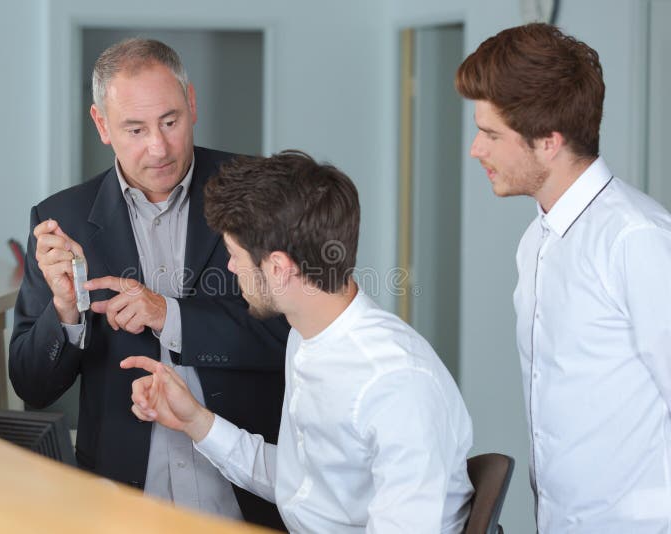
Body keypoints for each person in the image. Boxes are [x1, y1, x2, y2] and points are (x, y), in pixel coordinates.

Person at [9, 38, 288, 529]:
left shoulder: (259, 191)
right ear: (101, 125)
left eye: (170, 121)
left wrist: (171, 316)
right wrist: (65, 312)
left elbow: (292, 337)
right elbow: (32, 384)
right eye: (135, 129)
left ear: (192, 103)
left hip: (250, 495)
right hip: (122, 503)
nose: (158, 147)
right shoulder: (59, 219)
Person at [121, 151, 475, 532]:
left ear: (278, 268)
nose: (231, 267)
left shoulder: (395, 382)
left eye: (235, 255)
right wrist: (196, 421)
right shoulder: (306, 337)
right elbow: (301, 487)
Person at [456, 23, 671, 532]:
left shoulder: (636, 239)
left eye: (490, 134)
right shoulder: (537, 242)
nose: (475, 150)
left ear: (549, 141)